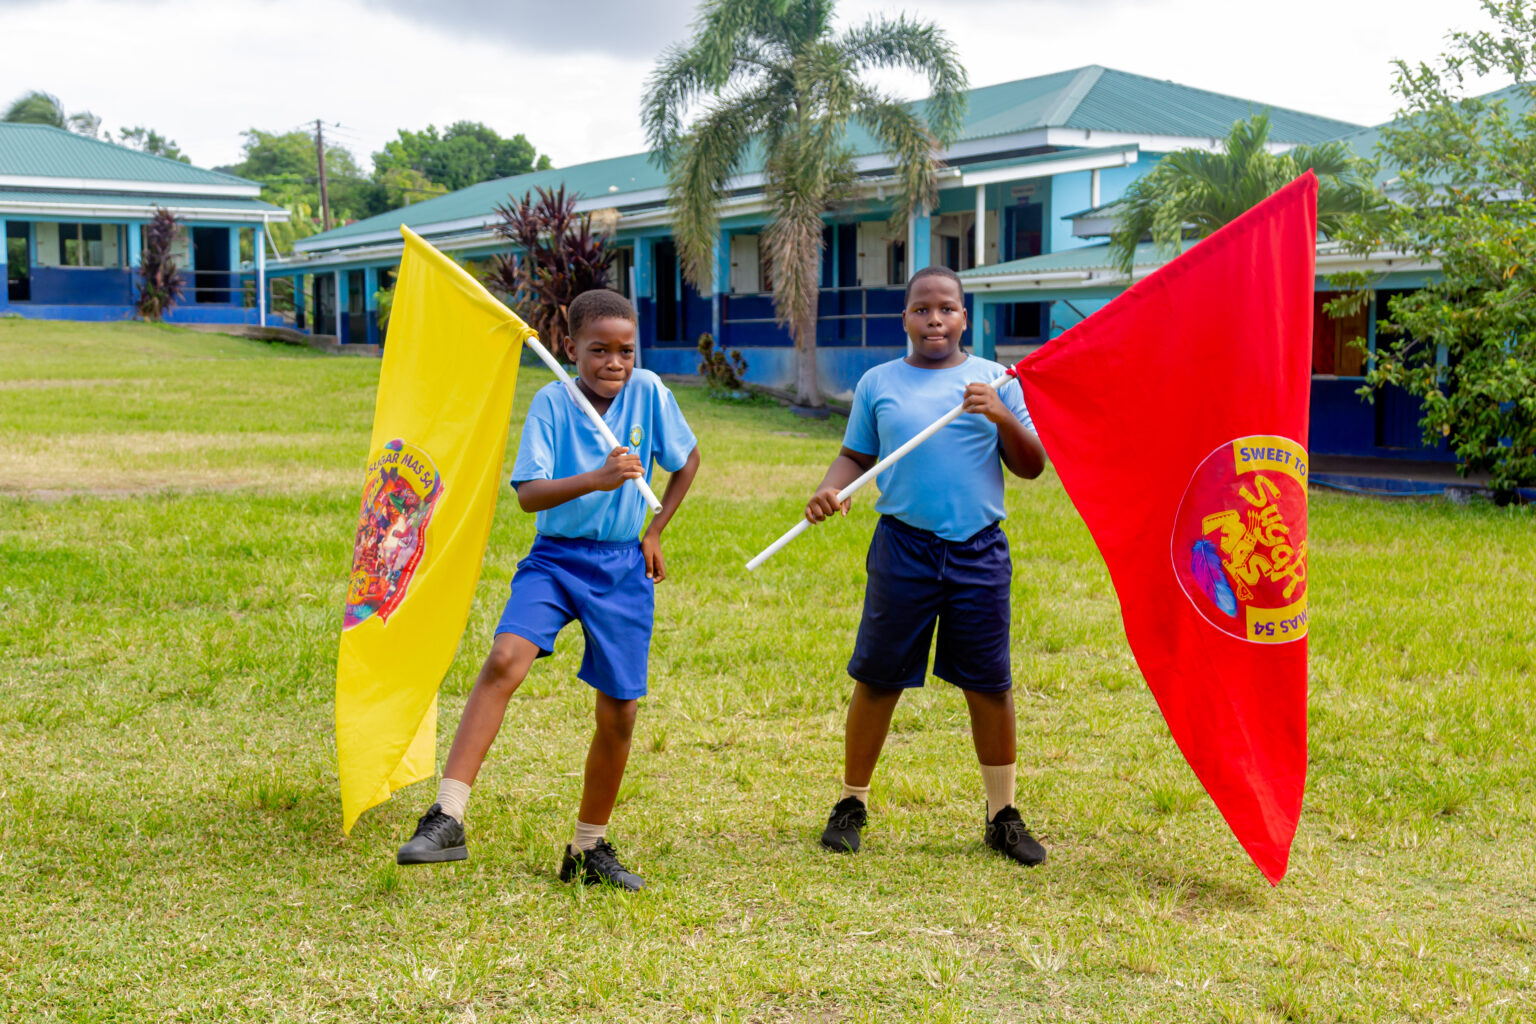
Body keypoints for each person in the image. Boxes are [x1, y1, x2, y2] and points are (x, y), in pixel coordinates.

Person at [395, 288, 701, 891]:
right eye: (599, 350)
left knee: (620, 712)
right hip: (556, 560)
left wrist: (655, 530)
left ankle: (588, 848)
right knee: (505, 659)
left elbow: (686, 461)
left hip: (621, 568)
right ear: (569, 347)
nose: (614, 363)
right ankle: (447, 814)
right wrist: (598, 477)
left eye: (625, 351)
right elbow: (529, 493)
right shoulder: (552, 401)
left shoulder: (649, 393)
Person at [803, 265, 1050, 865]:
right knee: (879, 677)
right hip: (904, 548)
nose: (934, 319)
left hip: (978, 550)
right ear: (905, 318)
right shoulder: (879, 383)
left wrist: (1000, 414)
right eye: (921, 309)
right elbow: (854, 455)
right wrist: (832, 489)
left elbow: (1032, 464)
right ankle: (851, 803)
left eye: (946, 309)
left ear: (965, 317)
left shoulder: (997, 381)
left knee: (989, 683)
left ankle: (1002, 816)